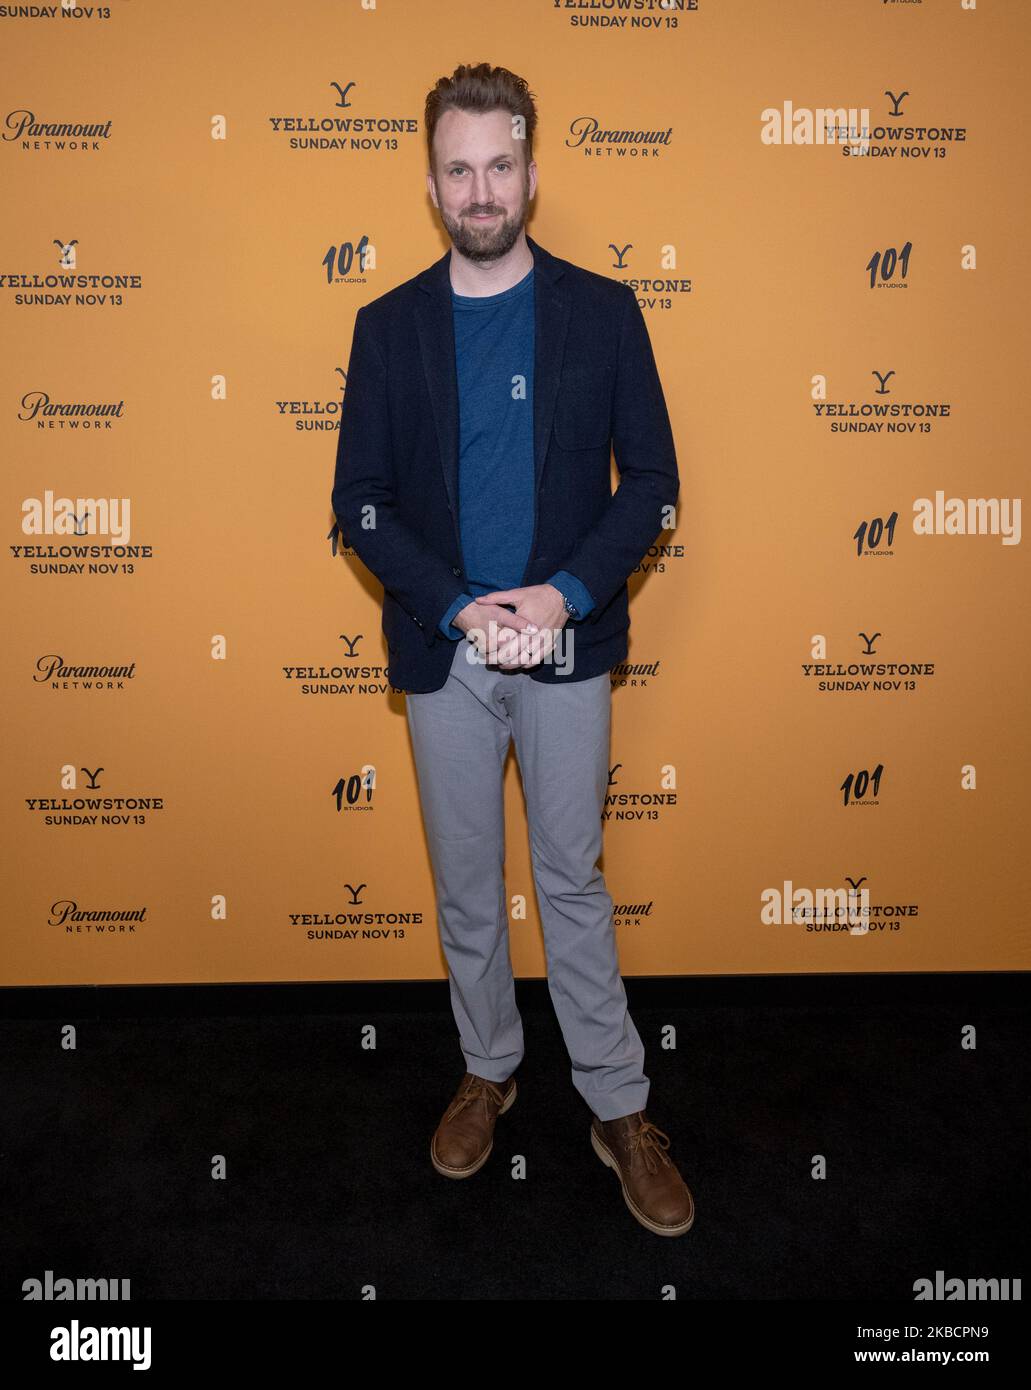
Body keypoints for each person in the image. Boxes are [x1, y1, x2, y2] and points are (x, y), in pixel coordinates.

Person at [331, 62, 692, 1237]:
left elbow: (652, 484)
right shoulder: (385, 330)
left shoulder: (604, 312)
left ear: (533, 174)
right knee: (468, 888)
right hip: (447, 655)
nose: (480, 190)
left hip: (568, 646)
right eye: (457, 169)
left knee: (573, 879)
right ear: (430, 186)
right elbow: (363, 501)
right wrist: (456, 608)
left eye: (499, 165)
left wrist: (564, 594)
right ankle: (488, 1068)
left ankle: (618, 1105)